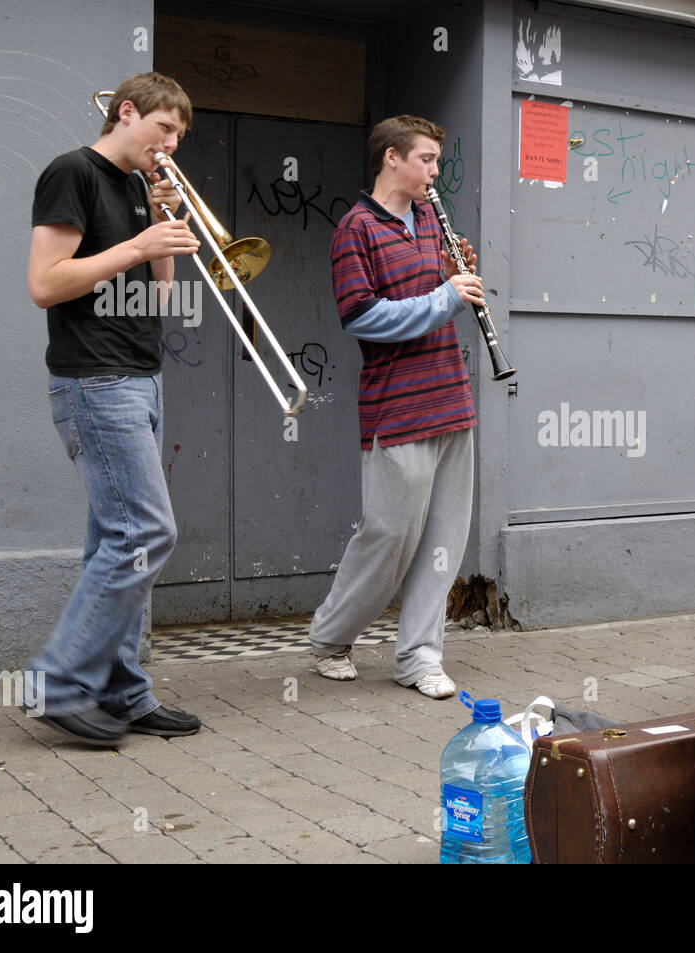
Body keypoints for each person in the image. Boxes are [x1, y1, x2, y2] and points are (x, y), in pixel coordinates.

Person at [26, 72, 203, 745]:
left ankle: (124, 690)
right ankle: (60, 681)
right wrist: (135, 244)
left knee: (114, 537)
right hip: (95, 381)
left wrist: (161, 228)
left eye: (180, 136)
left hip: (139, 375)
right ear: (126, 113)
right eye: (164, 129)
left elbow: (157, 295)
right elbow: (44, 283)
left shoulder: (137, 188)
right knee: (146, 533)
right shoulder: (72, 173)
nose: (172, 145)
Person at [308, 115, 485, 699]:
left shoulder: (432, 218)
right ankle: (332, 637)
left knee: (444, 538)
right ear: (391, 158)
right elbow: (362, 316)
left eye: (436, 161)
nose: (436, 172)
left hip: (450, 396)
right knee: (388, 534)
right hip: (397, 405)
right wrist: (444, 297)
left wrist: (458, 273)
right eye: (426, 160)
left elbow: (441, 291)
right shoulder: (354, 229)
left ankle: (418, 657)